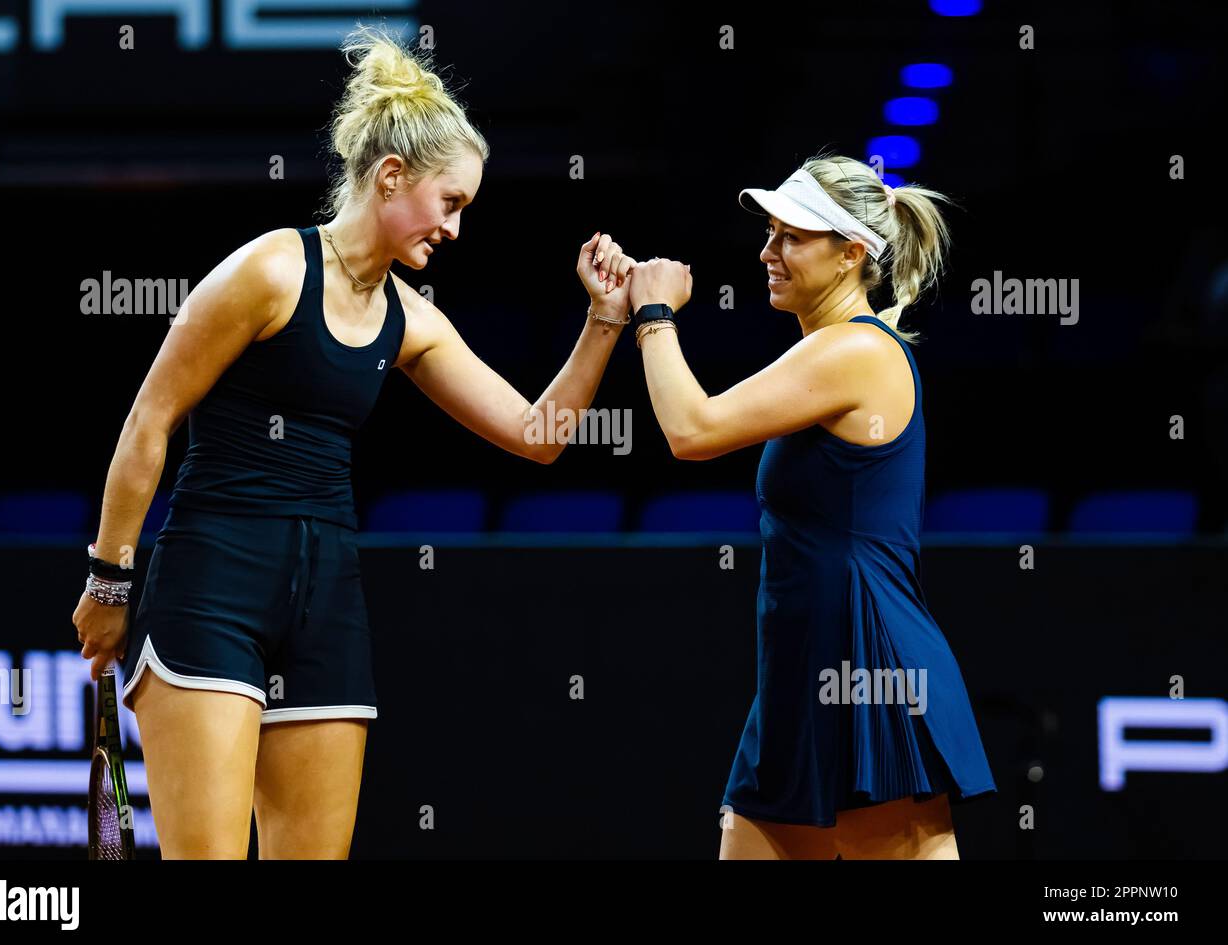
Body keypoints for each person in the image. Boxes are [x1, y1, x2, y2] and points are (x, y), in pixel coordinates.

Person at [71, 26, 637, 859]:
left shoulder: (410, 317)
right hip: (209, 591)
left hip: (326, 606)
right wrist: (110, 582)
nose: (456, 229)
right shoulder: (269, 270)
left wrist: (603, 321)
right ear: (391, 175)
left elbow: (537, 436)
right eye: (451, 203)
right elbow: (148, 422)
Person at [626, 154, 997, 859]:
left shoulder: (856, 349)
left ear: (851, 253)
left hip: (866, 659)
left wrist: (653, 314)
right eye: (769, 233)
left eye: (792, 237)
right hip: (802, 665)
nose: (767, 252)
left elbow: (692, 430)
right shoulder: (830, 350)